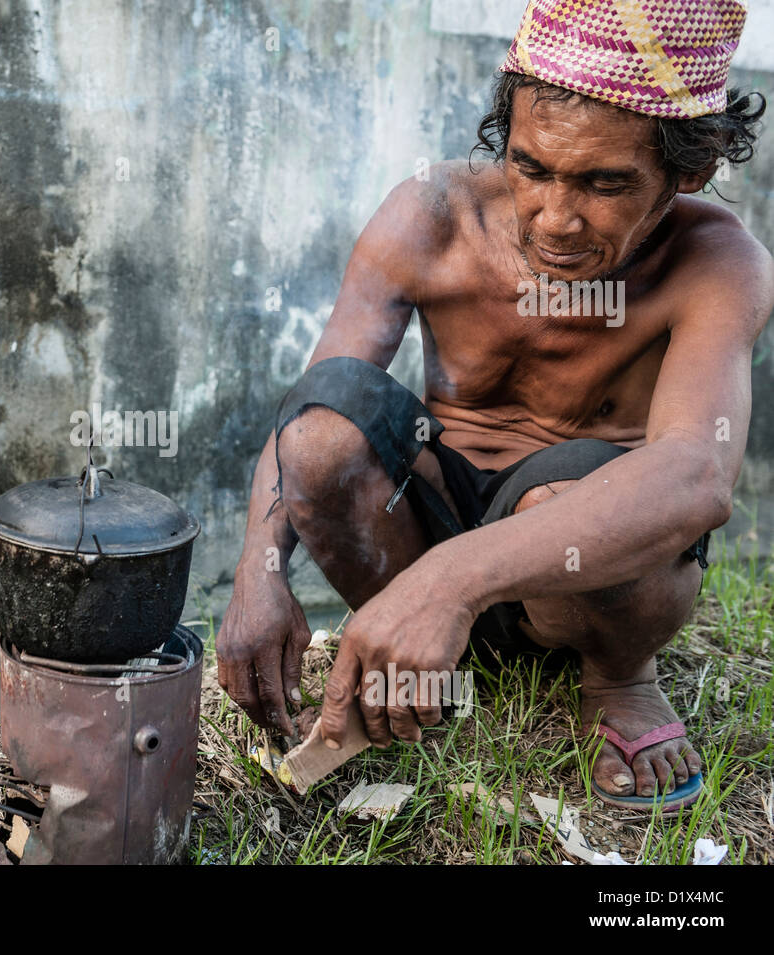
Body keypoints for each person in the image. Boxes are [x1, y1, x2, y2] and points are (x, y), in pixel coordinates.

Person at [215, 0, 771, 811]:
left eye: (604, 183)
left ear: (691, 169)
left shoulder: (720, 261)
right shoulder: (431, 212)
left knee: (565, 495)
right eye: (532, 167)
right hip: (436, 514)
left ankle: (618, 676)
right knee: (318, 436)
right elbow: (320, 392)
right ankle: (421, 654)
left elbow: (697, 474)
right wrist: (258, 573)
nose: (554, 217)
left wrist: (451, 581)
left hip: (587, 555)